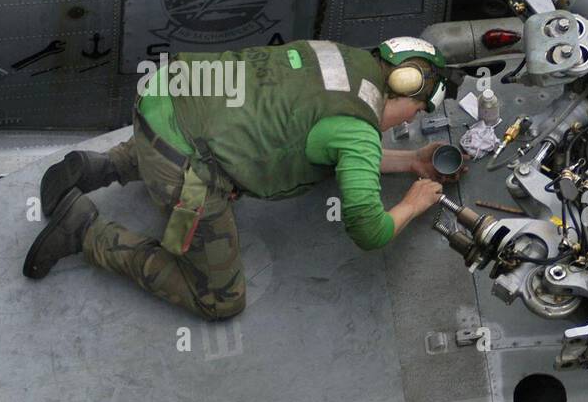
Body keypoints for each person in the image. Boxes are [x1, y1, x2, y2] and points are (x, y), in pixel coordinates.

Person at [23, 37, 461, 320]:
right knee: (219, 298)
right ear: (408, 90)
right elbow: (369, 229)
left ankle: (104, 166)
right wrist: (414, 203)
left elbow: (333, 144)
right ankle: (85, 231)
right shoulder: (358, 129)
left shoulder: (338, 55)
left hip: (164, 98)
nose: (408, 122)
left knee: (213, 127)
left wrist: (409, 163)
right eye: (418, 111)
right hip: (182, 163)